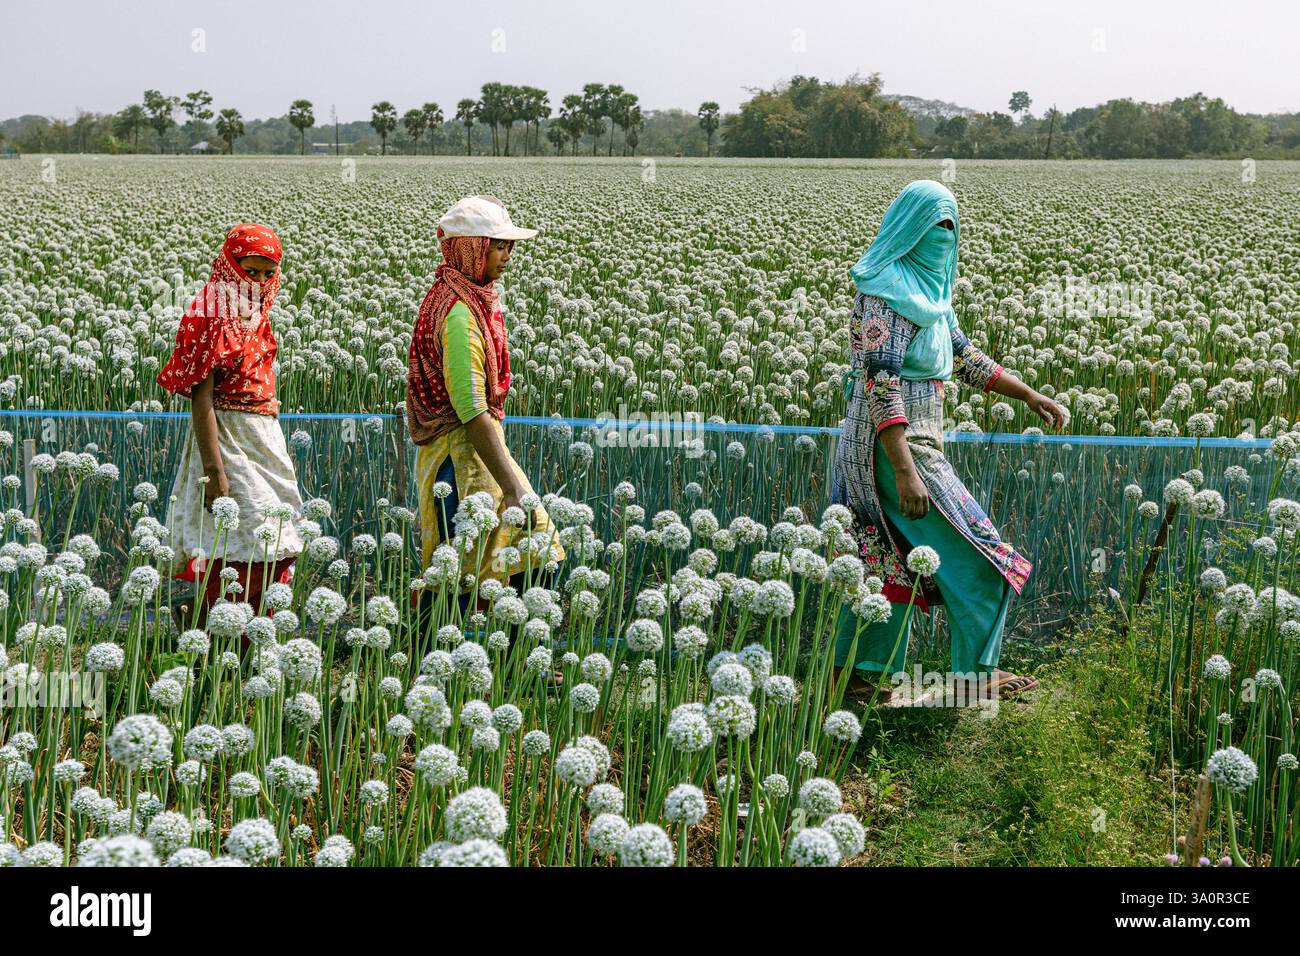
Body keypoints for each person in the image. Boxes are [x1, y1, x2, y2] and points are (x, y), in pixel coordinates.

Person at [831, 181, 1066, 705]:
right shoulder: (882, 290)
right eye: (936, 225)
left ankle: (861, 677)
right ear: (908, 228)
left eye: (952, 226)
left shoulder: (931, 292)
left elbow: (963, 358)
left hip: (914, 444)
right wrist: (906, 469)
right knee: (982, 555)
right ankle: (974, 675)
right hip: (891, 449)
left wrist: (1028, 394)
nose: (945, 236)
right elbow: (880, 381)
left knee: (887, 558)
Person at [406, 196, 563, 640]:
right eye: (498, 247)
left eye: (509, 247)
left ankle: (502, 652)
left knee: (483, 557)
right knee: (476, 559)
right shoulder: (459, 313)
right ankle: (454, 655)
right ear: (472, 249)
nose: (507, 256)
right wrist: (512, 486)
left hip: (469, 450)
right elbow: (471, 406)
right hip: (461, 457)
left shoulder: (464, 298)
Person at [157, 222, 304, 617]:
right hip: (228, 440)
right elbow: (200, 399)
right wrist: (214, 471)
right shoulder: (212, 315)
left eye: (267, 273)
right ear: (229, 264)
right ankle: (214, 637)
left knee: (275, 539)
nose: (257, 281)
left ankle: (245, 638)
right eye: (248, 270)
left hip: (262, 437)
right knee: (243, 541)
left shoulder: (255, 310)